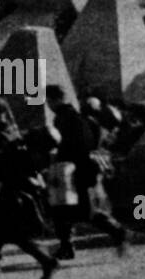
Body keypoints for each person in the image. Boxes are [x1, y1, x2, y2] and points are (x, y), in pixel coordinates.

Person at [0, 98, 58, 279]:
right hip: (9, 189)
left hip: (6, 192)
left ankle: (47, 261)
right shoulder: (10, 131)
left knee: (14, 235)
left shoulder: (1, 136)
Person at [45, 84, 128, 260]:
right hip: (80, 169)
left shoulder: (64, 118)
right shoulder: (76, 116)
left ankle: (117, 232)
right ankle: (67, 246)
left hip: (71, 170)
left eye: (48, 100)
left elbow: (66, 146)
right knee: (72, 210)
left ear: (55, 99)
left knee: (71, 210)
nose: (48, 105)